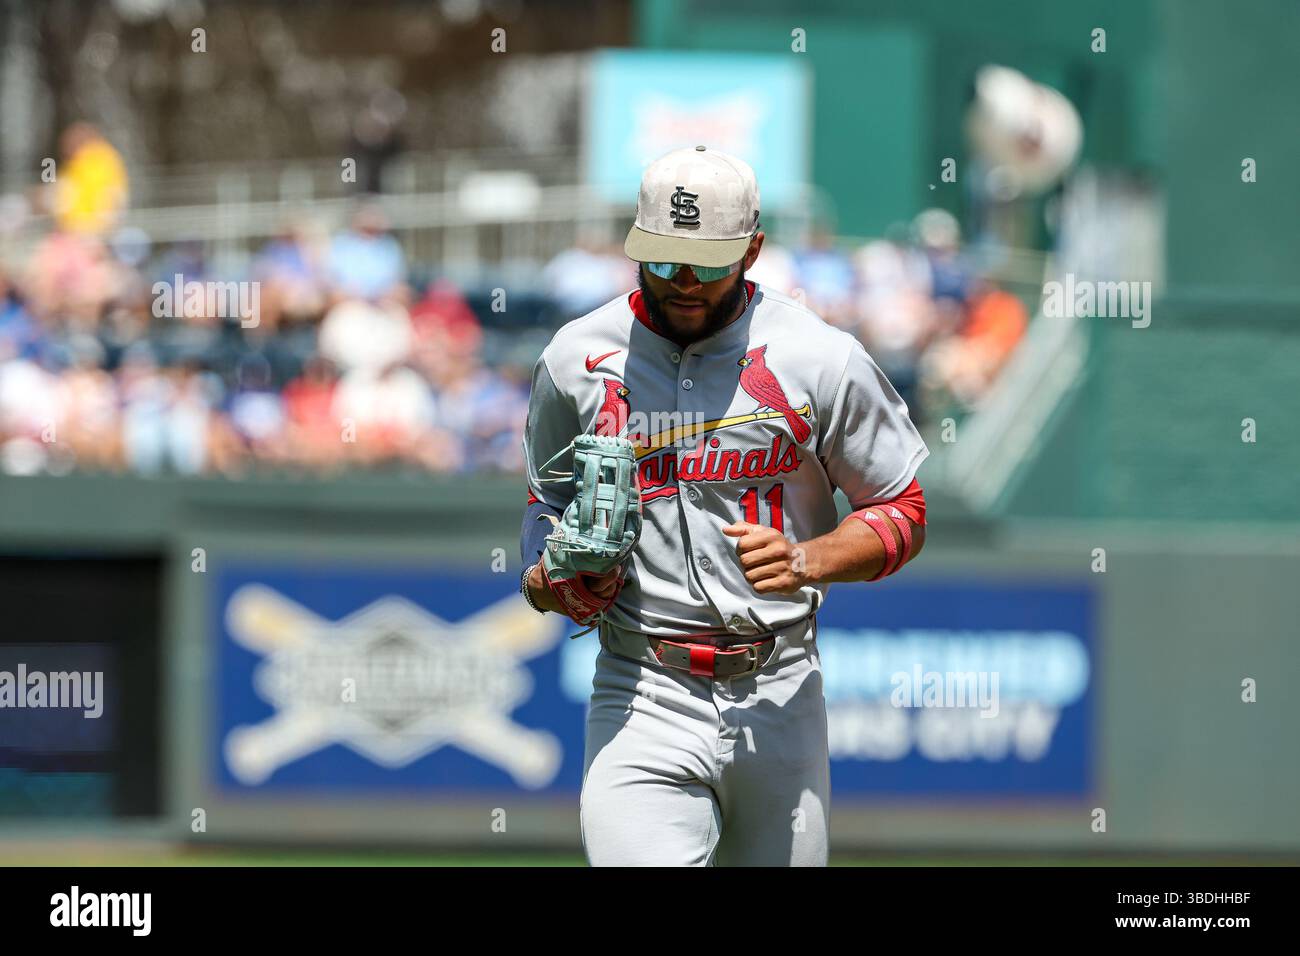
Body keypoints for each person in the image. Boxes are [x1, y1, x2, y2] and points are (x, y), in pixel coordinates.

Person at [519, 146, 930, 866]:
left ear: (753, 250)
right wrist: (545, 576)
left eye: (708, 265)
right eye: (664, 258)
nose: (684, 282)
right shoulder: (575, 357)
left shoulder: (820, 357)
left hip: (781, 688)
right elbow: (543, 503)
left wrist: (811, 558)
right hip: (641, 685)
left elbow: (902, 507)